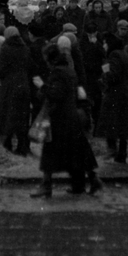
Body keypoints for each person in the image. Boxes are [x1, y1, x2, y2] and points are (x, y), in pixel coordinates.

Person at [30, 44, 100, 198]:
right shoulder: (69, 70)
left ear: (50, 58)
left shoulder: (58, 72)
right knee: (78, 151)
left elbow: (57, 94)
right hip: (71, 116)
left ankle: (46, 185)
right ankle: (86, 182)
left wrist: (42, 86)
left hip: (59, 118)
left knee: (49, 152)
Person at [96, 27, 128, 163]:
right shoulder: (123, 53)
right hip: (124, 92)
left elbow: (112, 75)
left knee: (110, 121)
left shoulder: (114, 55)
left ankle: (112, 149)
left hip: (115, 93)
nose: (104, 46)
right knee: (123, 124)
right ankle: (122, 153)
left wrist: (104, 69)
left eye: (105, 43)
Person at [0, 26, 34, 156]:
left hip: (9, 85)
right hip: (24, 83)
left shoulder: (5, 48)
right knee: (23, 115)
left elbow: (1, 69)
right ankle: (23, 146)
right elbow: (30, 66)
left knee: (8, 114)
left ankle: (8, 143)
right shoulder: (25, 48)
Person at [79, 21, 105, 131]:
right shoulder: (83, 42)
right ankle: (87, 123)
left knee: (97, 100)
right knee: (87, 99)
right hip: (87, 74)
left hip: (96, 74)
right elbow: (83, 56)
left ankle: (96, 121)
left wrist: (96, 45)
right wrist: (92, 46)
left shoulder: (99, 41)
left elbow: (103, 55)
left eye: (94, 33)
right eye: (90, 33)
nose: (92, 36)